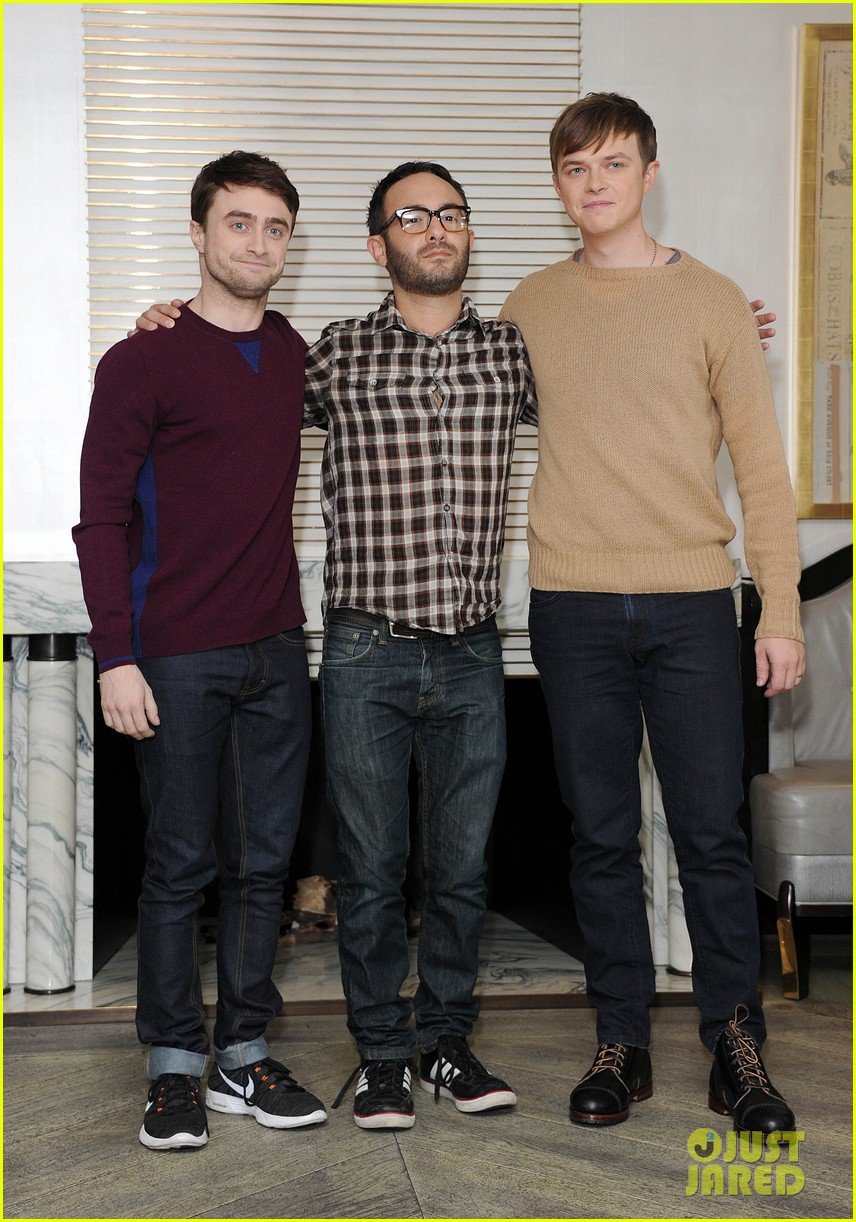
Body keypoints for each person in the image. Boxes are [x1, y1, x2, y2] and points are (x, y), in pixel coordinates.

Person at [133, 158, 777, 1134]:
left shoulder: (515, 351)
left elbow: (611, 392)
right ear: (375, 242)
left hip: (474, 652)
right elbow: (233, 391)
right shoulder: (331, 354)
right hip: (363, 650)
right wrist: (162, 327)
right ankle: (383, 1057)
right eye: (410, 215)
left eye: (450, 214)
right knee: (372, 867)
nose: (434, 228)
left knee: (464, 869)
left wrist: (715, 334)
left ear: (466, 234)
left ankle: (444, 1038)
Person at [500, 93, 804, 1133]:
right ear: (557, 185)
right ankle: (619, 1043)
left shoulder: (715, 302)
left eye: (613, 164)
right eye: (575, 168)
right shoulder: (527, 307)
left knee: (712, 834)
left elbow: (762, 473)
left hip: (688, 605)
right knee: (598, 834)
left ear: (649, 171)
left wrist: (779, 614)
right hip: (572, 605)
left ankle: (737, 1051)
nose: (595, 184)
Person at [73, 151, 327, 1151]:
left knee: (265, 865)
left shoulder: (298, 353)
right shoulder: (141, 359)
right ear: (198, 231)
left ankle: (243, 1054)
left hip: (276, 647)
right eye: (238, 223)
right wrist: (114, 655)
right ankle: (174, 1066)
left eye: (274, 228)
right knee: (178, 865)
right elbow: (99, 519)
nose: (257, 243)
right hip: (174, 652)